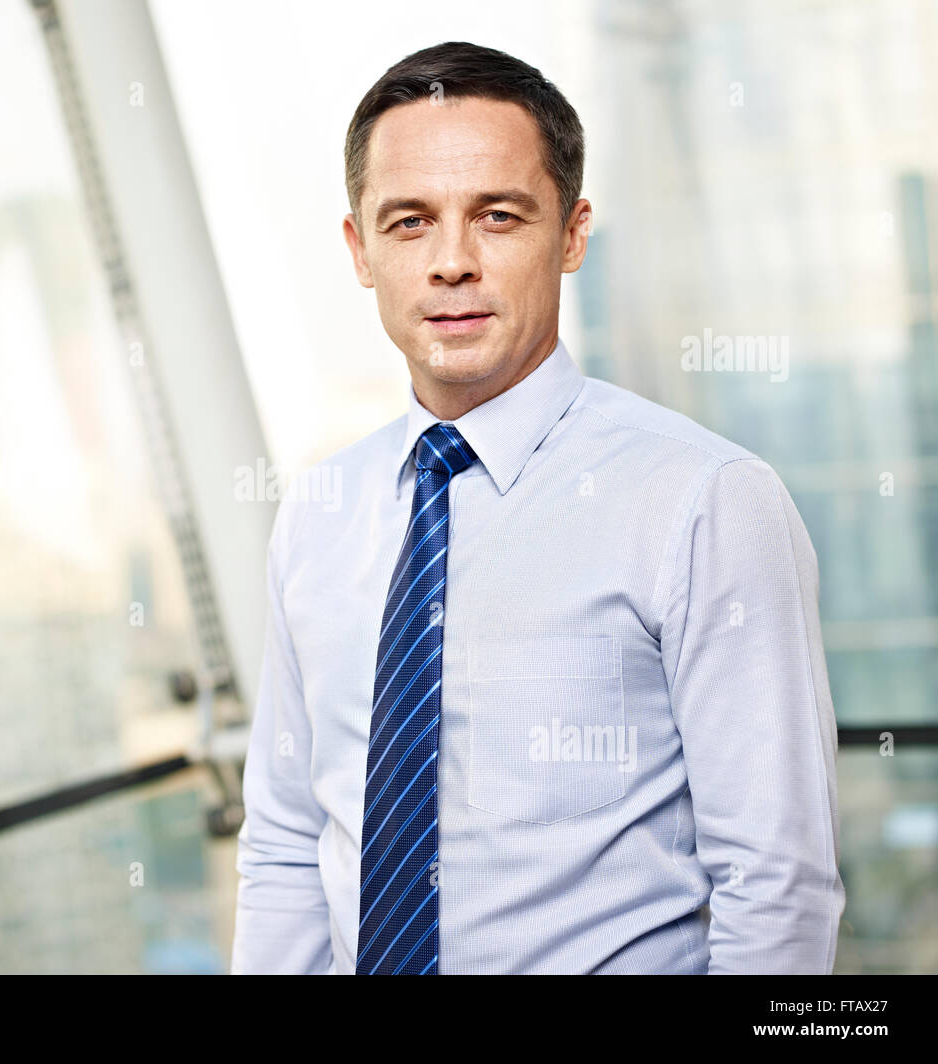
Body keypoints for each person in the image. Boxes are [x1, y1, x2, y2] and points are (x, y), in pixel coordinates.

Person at [230, 40, 845, 974]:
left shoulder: (701, 501)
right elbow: (286, 846)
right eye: (408, 223)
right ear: (360, 250)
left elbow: (777, 884)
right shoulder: (318, 514)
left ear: (571, 233)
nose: (451, 263)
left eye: (498, 216)